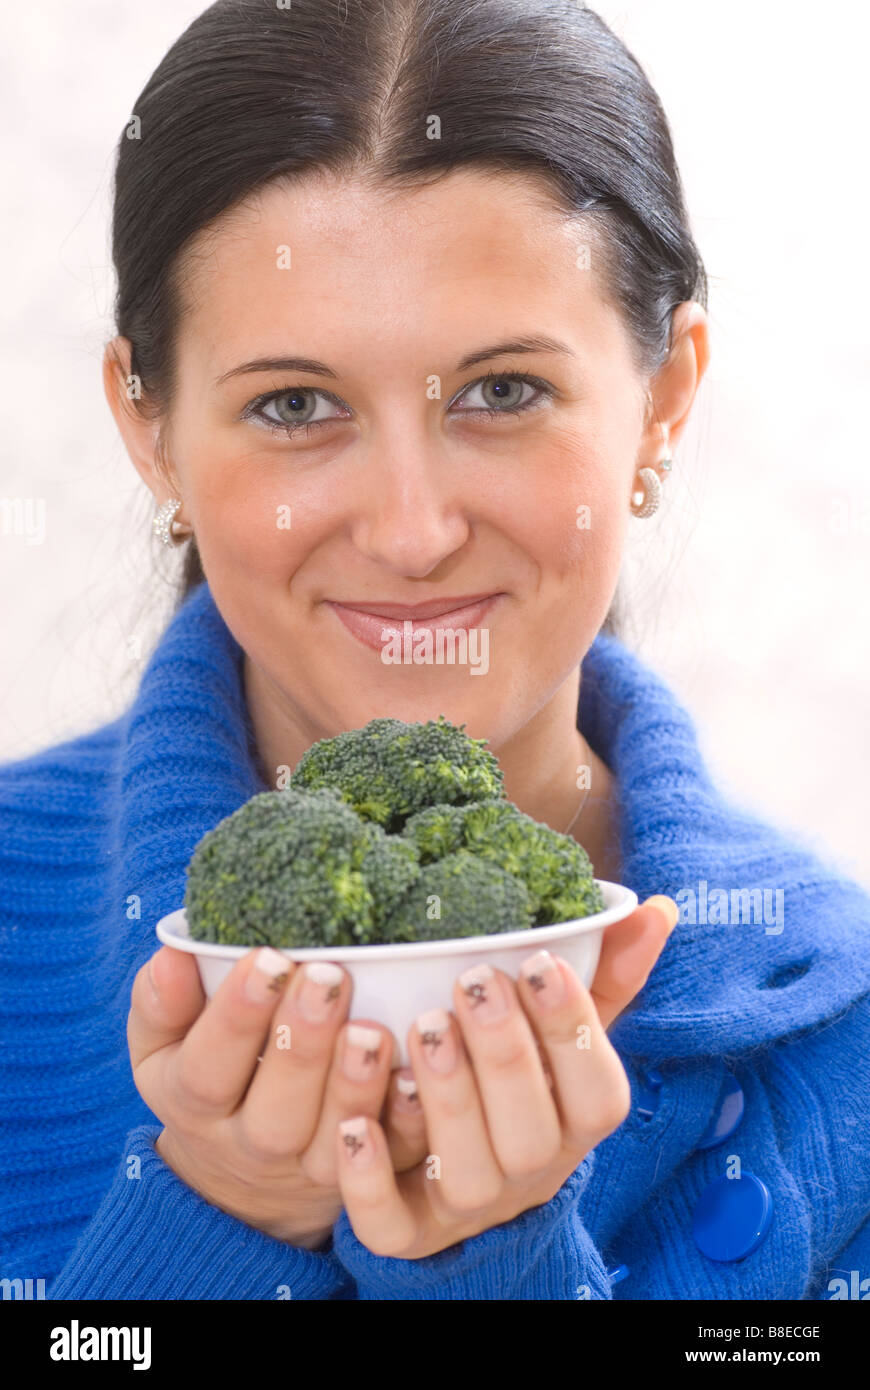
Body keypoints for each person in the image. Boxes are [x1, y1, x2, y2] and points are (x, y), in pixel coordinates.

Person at [2, 0, 868, 1301]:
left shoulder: (837, 1035)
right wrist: (215, 1218)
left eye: (502, 392)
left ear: (662, 397)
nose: (410, 533)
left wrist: (493, 1267)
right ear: (149, 425)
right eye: (295, 404)